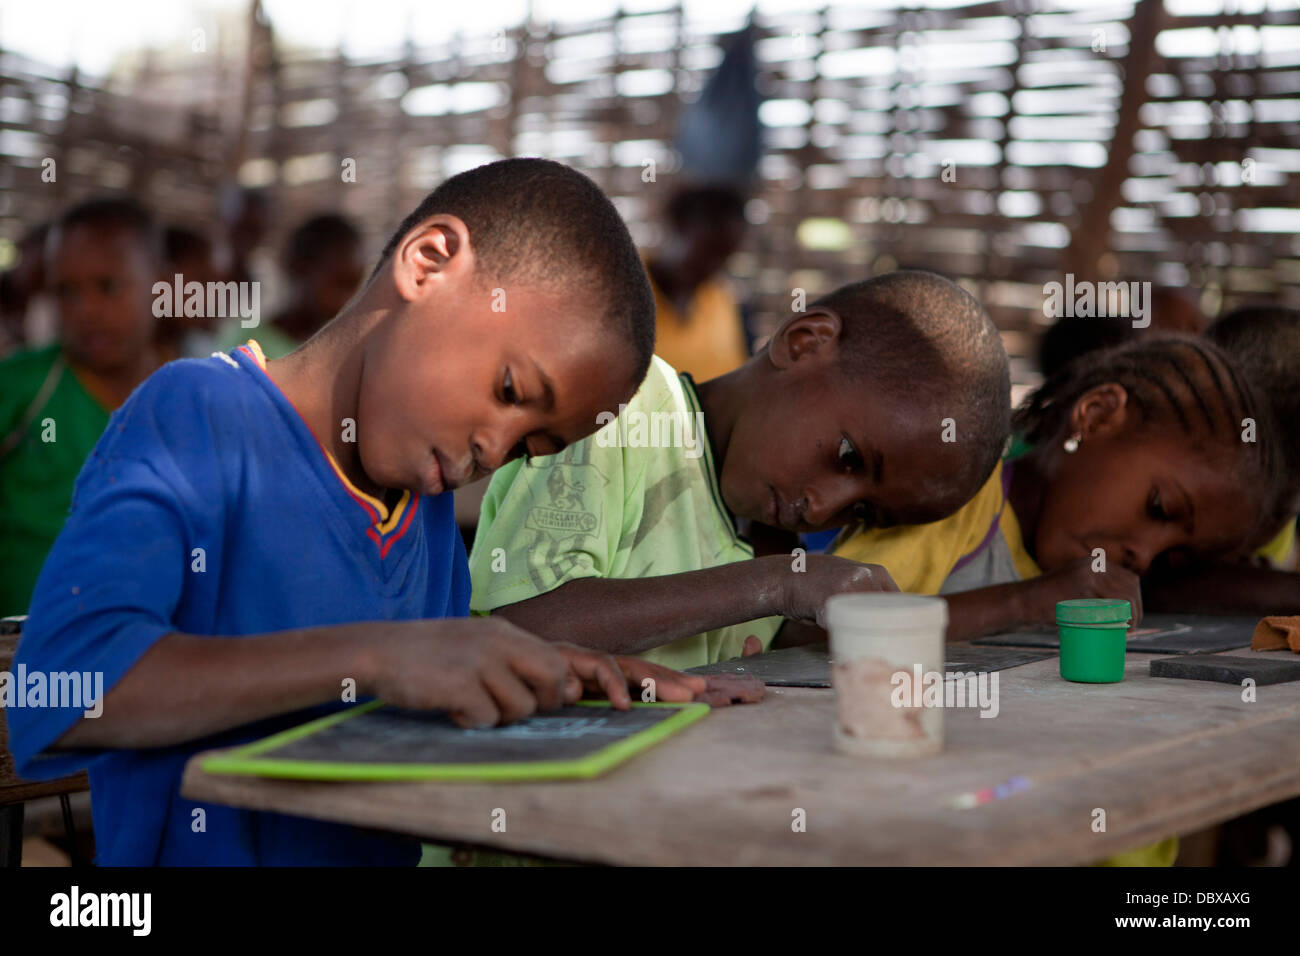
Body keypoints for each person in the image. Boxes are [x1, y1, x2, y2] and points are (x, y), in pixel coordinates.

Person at [10, 158, 751, 867]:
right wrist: (382, 655)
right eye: (509, 390)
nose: (495, 449)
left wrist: (549, 684)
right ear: (428, 262)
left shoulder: (421, 512)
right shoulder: (197, 419)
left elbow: (395, 713)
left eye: (534, 446)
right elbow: (59, 691)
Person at [470, 269, 1012, 669]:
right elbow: (522, 624)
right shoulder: (623, 408)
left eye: (861, 511)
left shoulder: (772, 539)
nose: (821, 509)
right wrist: (778, 585)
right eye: (848, 456)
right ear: (803, 344)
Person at [0, 198, 162, 616]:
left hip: (143, 646)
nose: (85, 311)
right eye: (65, 292)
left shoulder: (185, 399)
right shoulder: (25, 386)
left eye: (107, 286)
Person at [644, 184, 751, 382]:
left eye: (726, 256)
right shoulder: (622, 286)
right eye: (708, 250)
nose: (716, 265)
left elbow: (731, 376)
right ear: (676, 228)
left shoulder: (720, 298)